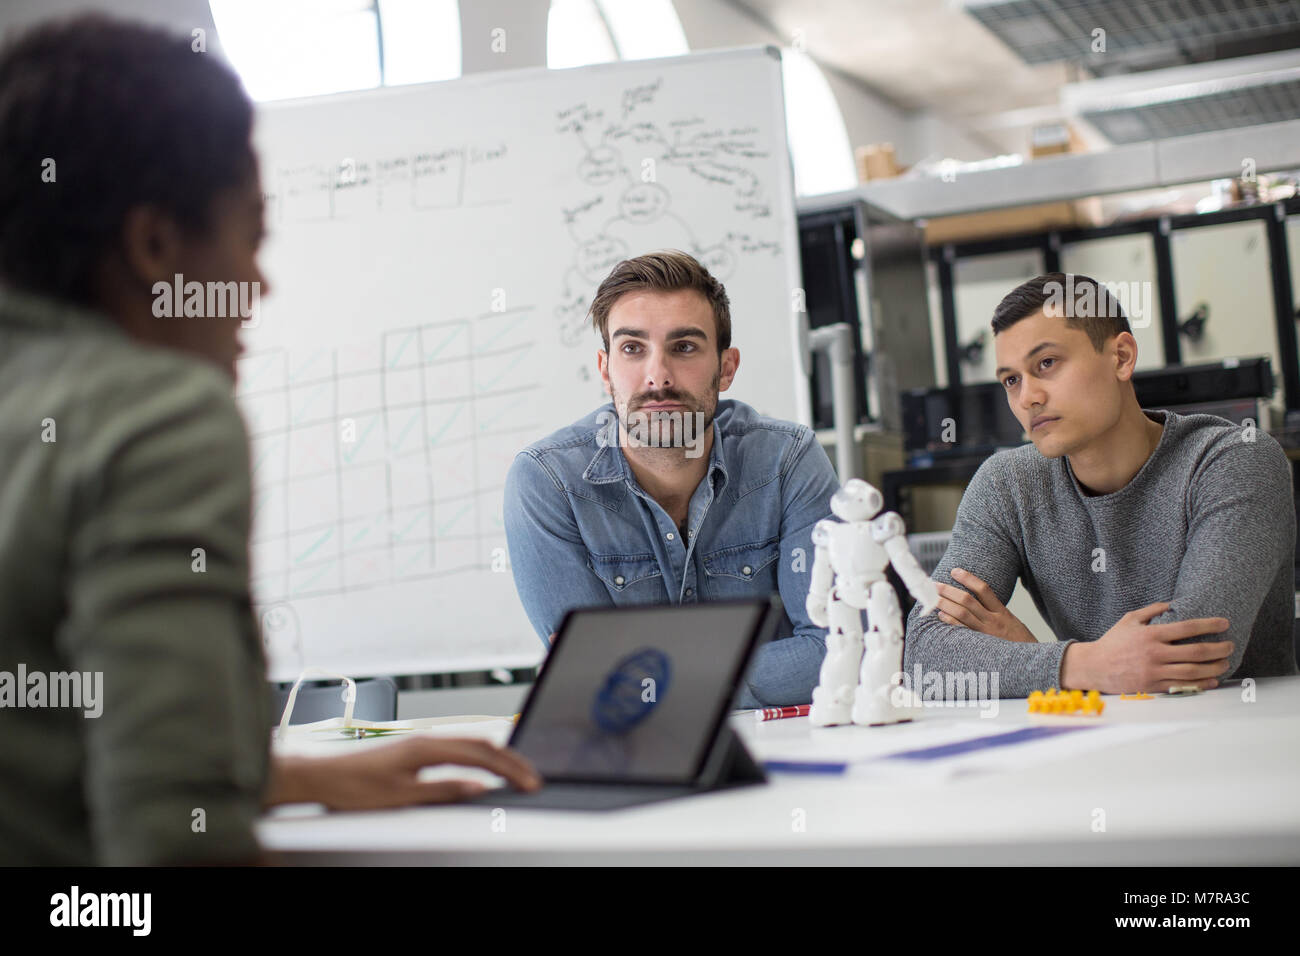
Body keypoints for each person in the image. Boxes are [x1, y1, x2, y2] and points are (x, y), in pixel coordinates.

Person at [0, 14, 538, 866]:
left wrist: (293, 778)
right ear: (154, 246)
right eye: (250, 235)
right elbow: (172, 852)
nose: (260, 281)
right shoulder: (154, 416)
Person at [904, 272, 1298, 697]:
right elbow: (925, 655)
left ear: (1122, 357)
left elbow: (1198, 650)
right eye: (1011, 380)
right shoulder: (1007, 484)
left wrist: (1039, 660)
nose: (1027, 398)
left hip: (1238, 740)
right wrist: (1077, 665)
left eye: (1047, 363)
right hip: (1096, 742)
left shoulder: (1234, 460)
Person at [503, 250, 841, 708]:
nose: (657, 377)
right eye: (632, 349)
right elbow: (590, 681)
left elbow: (836, 651)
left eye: (684, 347)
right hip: (636, 760)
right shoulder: (547, 482)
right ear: (605, 370)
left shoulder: (787, 461)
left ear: (726, 368)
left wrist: (652, 682)